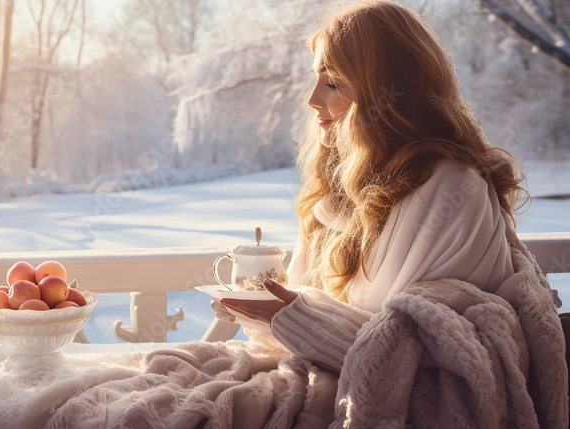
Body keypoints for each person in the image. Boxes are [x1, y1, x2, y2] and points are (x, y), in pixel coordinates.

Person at [211, 1, 567, 426]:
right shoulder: (338, 188)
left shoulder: (450, 188)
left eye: (334, 83)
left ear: (386, 91)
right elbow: (310, 308)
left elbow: (410, 361)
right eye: (316, 79)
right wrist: (258, 313)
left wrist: (292, 318)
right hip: (325, 381)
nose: (312, 100)